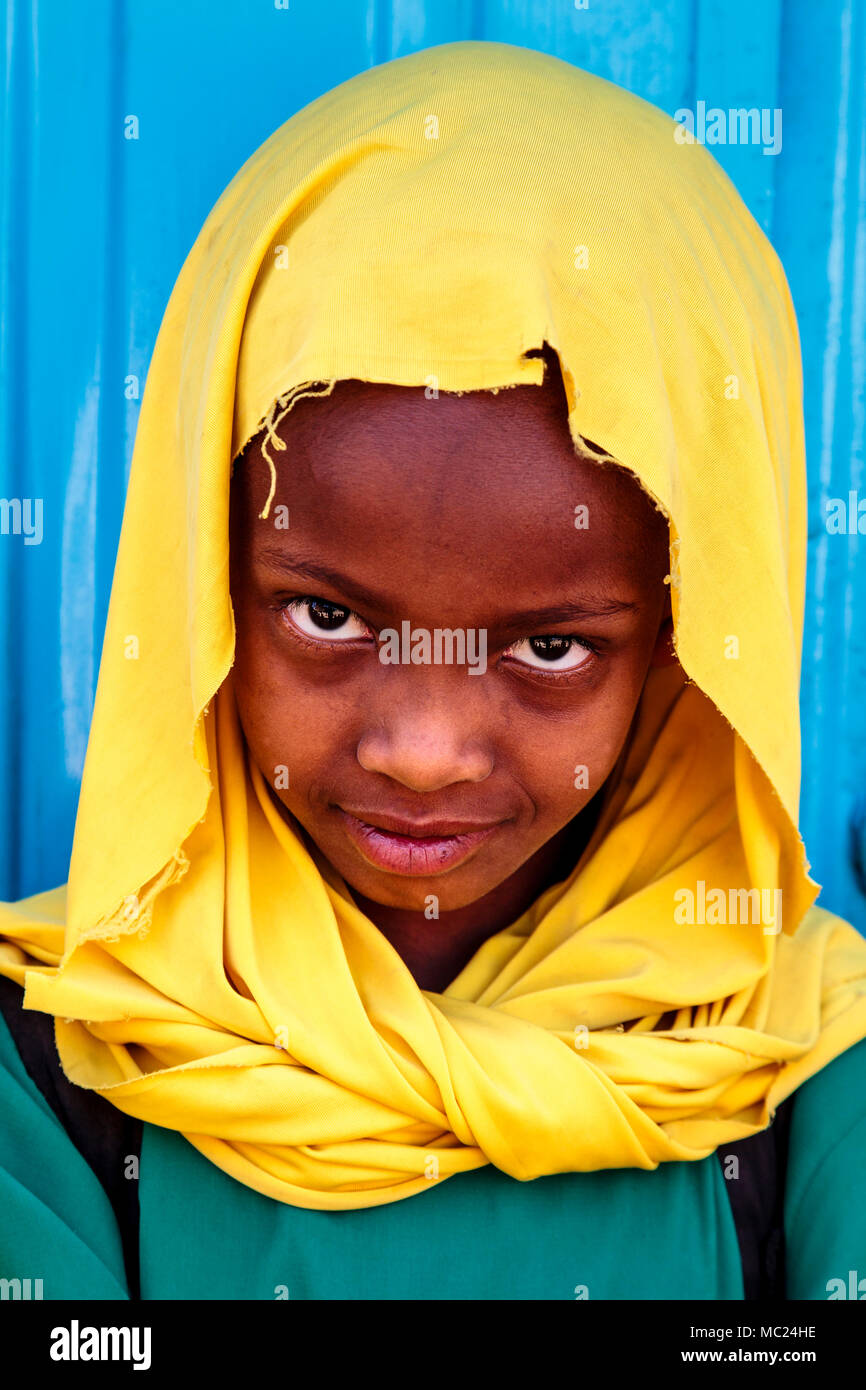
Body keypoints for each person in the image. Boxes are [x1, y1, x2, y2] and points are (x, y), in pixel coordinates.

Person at [1, 39, 865, 1302]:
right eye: (326, 617)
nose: (420, 746)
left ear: (686, 650)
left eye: (549, 646)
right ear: (201, 581)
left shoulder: (799, 1063)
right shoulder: (54, 1065)